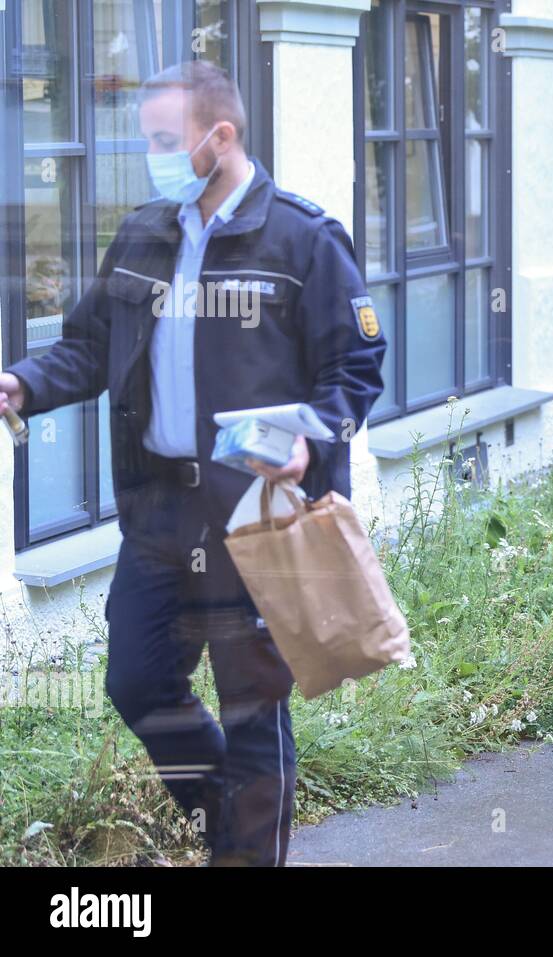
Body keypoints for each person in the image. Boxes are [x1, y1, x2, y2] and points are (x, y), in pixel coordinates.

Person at [0, 62, 385, 863]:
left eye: (165, 140)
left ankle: (246, 850)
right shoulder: (145, 233)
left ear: (223, 136)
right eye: (148, 140)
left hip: (257, 515)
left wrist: (313, 436)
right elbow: (88, 347)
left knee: (252, 705)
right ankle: (228, 812)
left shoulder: (302, 239)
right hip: (159, 514)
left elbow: (356, 366)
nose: (153, 155)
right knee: (136, 682)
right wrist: (21, 383)